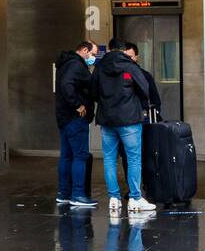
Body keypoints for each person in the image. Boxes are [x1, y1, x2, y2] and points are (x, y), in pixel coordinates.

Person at [91, 39, 156, 216]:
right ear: (122, 50)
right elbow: (145, 88)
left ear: (110, 49)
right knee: (134, 158)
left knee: (109, 159)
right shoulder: (129, 66)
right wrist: (138, 104)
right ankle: (135, 198)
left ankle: (114, 198)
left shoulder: (99, 67)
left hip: (106, 120)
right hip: (129, 120)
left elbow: (93, 92)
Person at [54, 40, 97, 208]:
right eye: (92, 54)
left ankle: (63, 193)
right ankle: (78, 194)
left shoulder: (66, 64)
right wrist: (78, 104)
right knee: (80, 156)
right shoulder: (76, 66)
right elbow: (67, 86)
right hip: (75, 118)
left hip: (64, 118)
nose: (93, 58)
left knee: (66, 156)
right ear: (84, 50)